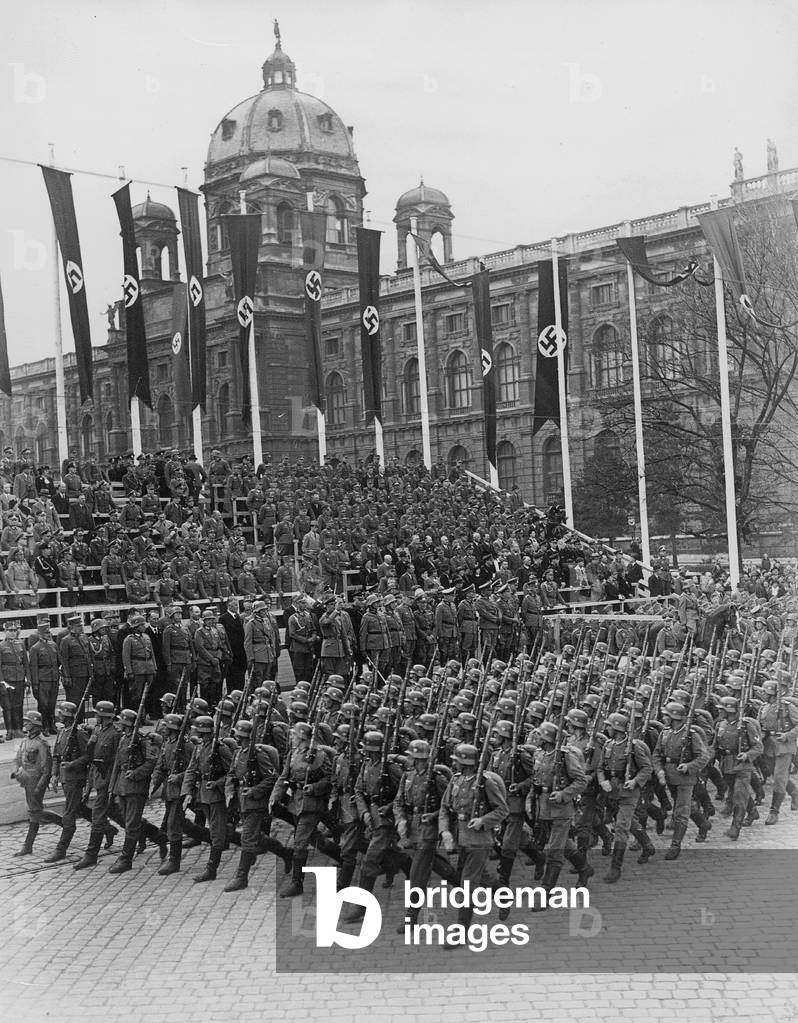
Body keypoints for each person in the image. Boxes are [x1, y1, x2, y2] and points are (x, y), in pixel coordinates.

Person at [438, 742, 508, 938]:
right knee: (481, 877)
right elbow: (444, 808)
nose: (454, 764)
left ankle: (461, 930)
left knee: (468, 885)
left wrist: (483, 820)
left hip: (479, 840)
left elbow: (502, 810)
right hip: (460, 837)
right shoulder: (456, 779)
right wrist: (444, 831)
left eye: (456, 761)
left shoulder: (485, 783)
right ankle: (504, 895)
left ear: (464, 763)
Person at [181, 714, 234, 883]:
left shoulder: (220, 748)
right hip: (204, 794)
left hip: (217, 795)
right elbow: (191, 770)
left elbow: (232, 772)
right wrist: (187, 792)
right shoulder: (199, 747)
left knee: (216, 832)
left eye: (197, 730)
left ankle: (211, 869)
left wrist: (218, 783)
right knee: (216, 829)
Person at [106, 708, 159, 874]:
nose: (119, 724)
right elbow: (117, 764)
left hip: (136, 787)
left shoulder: (142, 741)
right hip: (122, 786)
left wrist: (136, 773)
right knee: (130, 821)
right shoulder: (124, 739)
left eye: (121, 722)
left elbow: (151, 762)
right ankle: (159, 837)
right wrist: (112, 787)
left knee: (131, 823)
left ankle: (126, 859)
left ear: (127, 724)